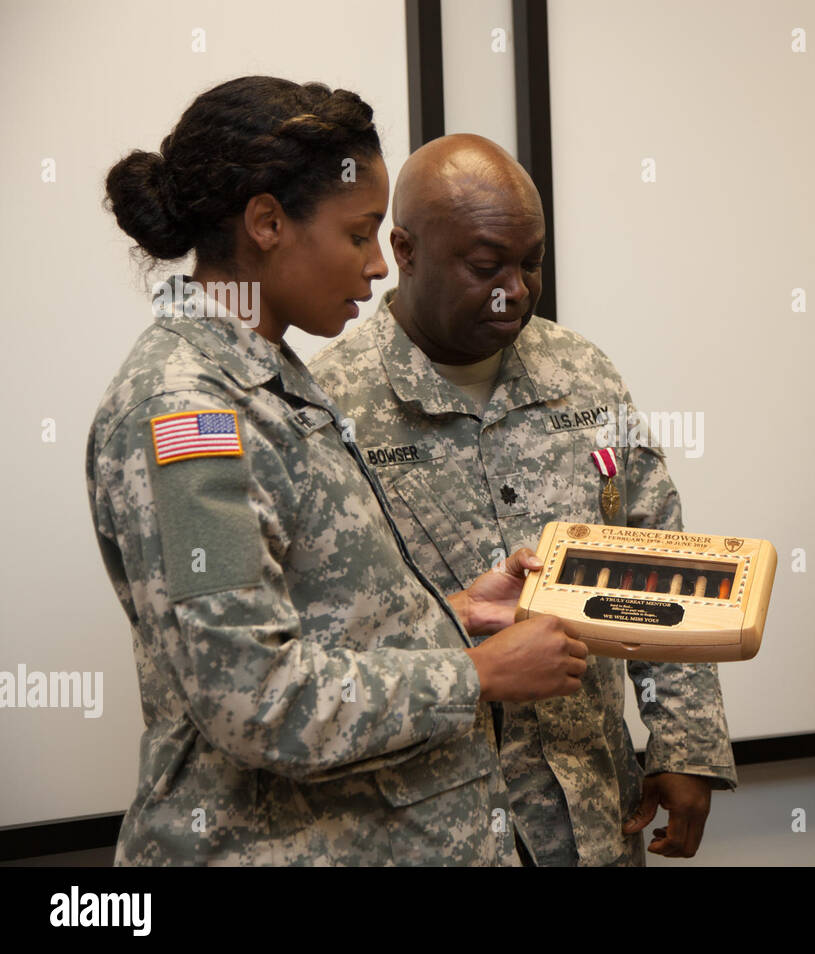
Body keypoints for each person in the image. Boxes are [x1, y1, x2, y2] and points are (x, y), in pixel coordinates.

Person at [91, 76, 587, 866]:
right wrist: (474, 675)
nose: (379, 267)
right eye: (359, 236)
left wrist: (454, 613)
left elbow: (317, 614)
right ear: (267, 223)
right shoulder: (188, 415)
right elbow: (255, 698)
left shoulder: (270, 377)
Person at [310, 134, 737, 866]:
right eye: (485, 266)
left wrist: (685, 741)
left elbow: (660, 561)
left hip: (590, 813)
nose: (516, 288)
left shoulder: (582, 372)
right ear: (404, 250)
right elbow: (317, 650)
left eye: (531, 261)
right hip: (423, 826)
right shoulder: (327, 404)